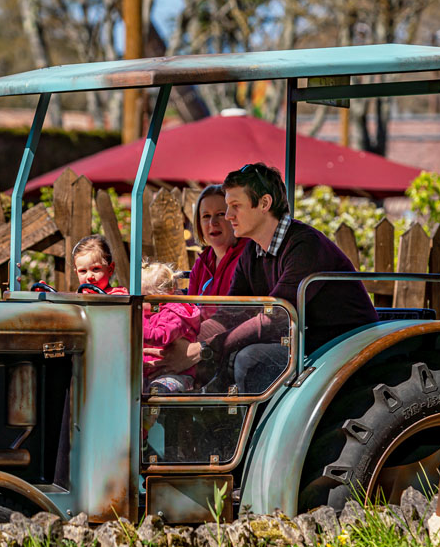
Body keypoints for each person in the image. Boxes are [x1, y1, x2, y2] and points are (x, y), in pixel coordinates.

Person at [149, 162, 379, 392]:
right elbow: (230, 314)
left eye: (235, 206)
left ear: (264, 203)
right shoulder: (253, 250)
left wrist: (204, 349)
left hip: (346, 348)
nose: (228, 215)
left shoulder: (305, 245)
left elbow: (276, 318)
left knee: (250, 359)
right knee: (224, 357)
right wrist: (182, 341)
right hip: (304, 343)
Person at [140, 261, 201, 393]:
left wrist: (135, 328)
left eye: (146, 298)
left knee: (161, 390)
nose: (141, 303)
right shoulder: (153, 309)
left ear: (167, 292)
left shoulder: (174, 312)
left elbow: (161, 335)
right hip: (148, 372)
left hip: (176, 373)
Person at [188, 184, 249, 296]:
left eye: (221, 214)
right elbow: (190, 305)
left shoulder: (249, 258)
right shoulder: (200, 264)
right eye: (206, 216)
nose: (212, 223)